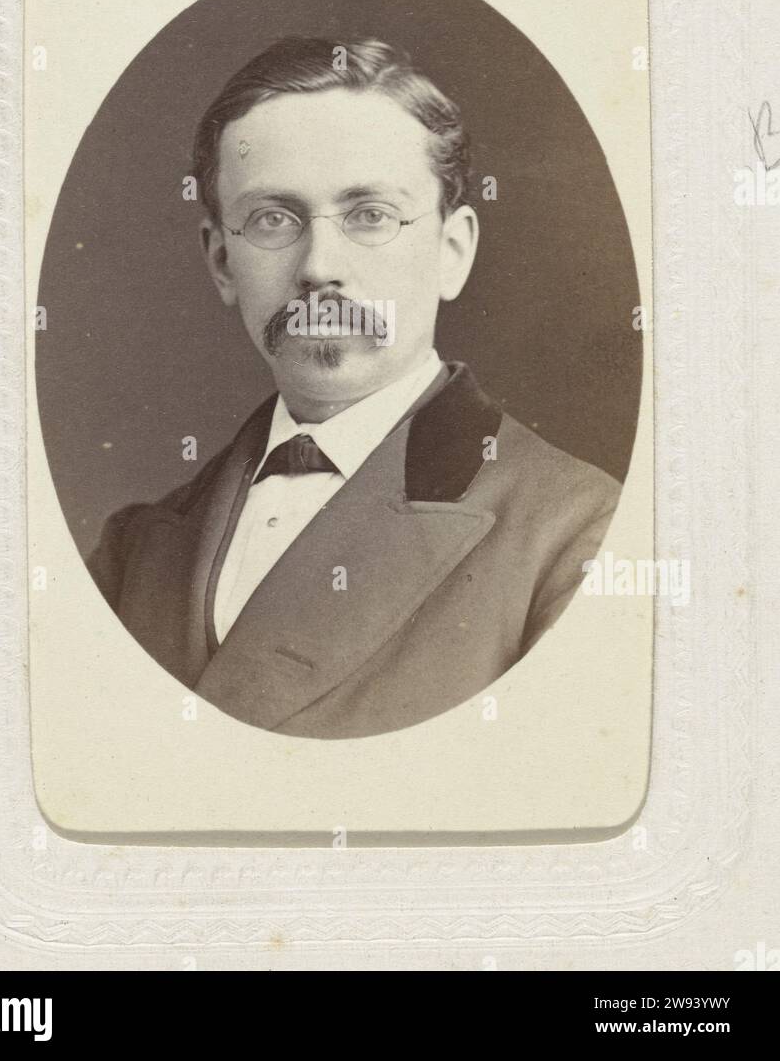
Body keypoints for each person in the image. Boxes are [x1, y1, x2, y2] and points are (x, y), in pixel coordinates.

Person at [87, 36, 621, 738]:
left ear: (451, 252)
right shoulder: (134, 552)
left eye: (369, 214)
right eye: (273, 219)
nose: (318, 266)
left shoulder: (578, 533)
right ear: (221, 260)